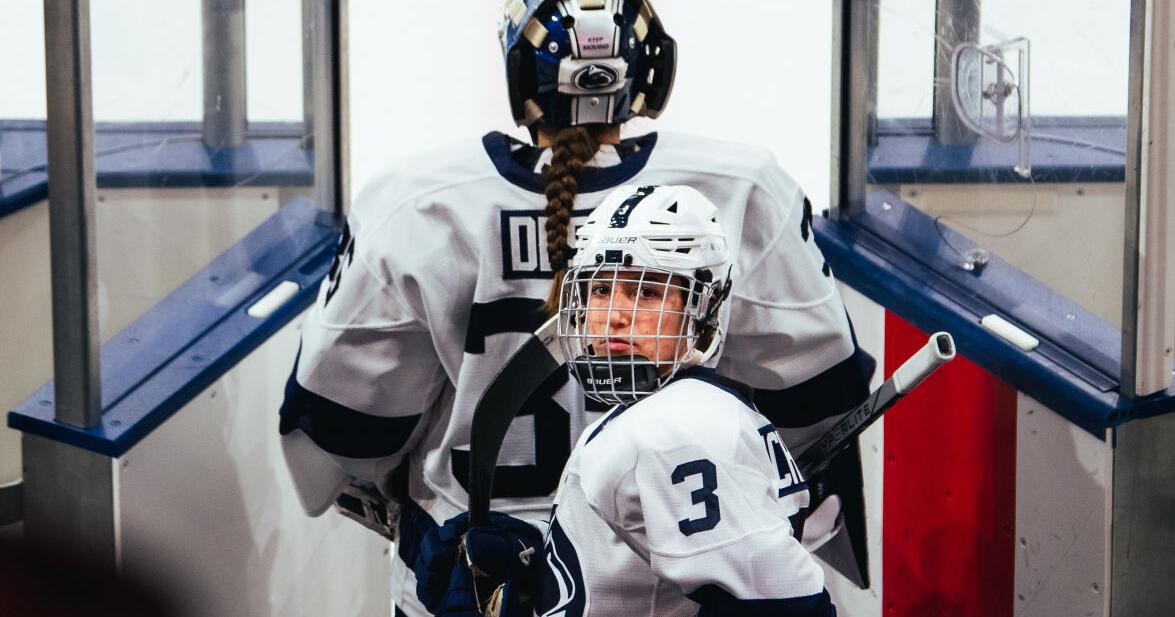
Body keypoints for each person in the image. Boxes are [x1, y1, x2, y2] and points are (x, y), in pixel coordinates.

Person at [277, 1, 873, 614]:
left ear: (520, 72)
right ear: (647, 69)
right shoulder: (742, 185)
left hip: (475, 580)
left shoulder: (414, 200)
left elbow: (338, 438)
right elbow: (818, 405)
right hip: (671, 590)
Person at [415, 185, 835, 617]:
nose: (613, 314)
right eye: (600, 290)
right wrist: (533, 568)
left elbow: (786, 608)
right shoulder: (664, 407)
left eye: (647, 292)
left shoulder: (672, 431)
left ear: (706, 309)